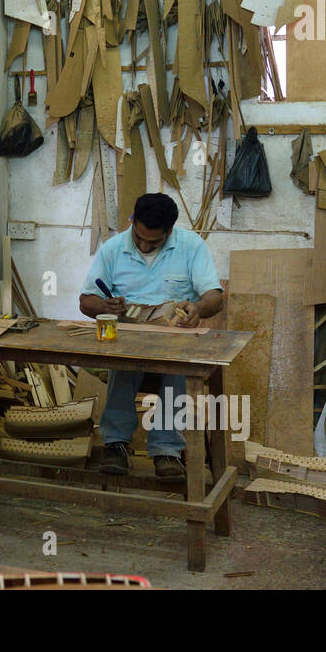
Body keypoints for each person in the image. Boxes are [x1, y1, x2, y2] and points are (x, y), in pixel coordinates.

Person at [78, 192, 224, 479]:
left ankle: (166, 450)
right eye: (139, 238)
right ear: (133, 222)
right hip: (129, 335)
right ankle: (116, 445)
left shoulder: (191, 246)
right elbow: (85, 301)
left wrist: (197, 307)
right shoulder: (114, 248)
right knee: (124, 362)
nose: (144, 246)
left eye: (153, 242)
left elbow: (215, 297)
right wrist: (104, 306)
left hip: (174, 337)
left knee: (177, 368)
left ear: (169, 231)